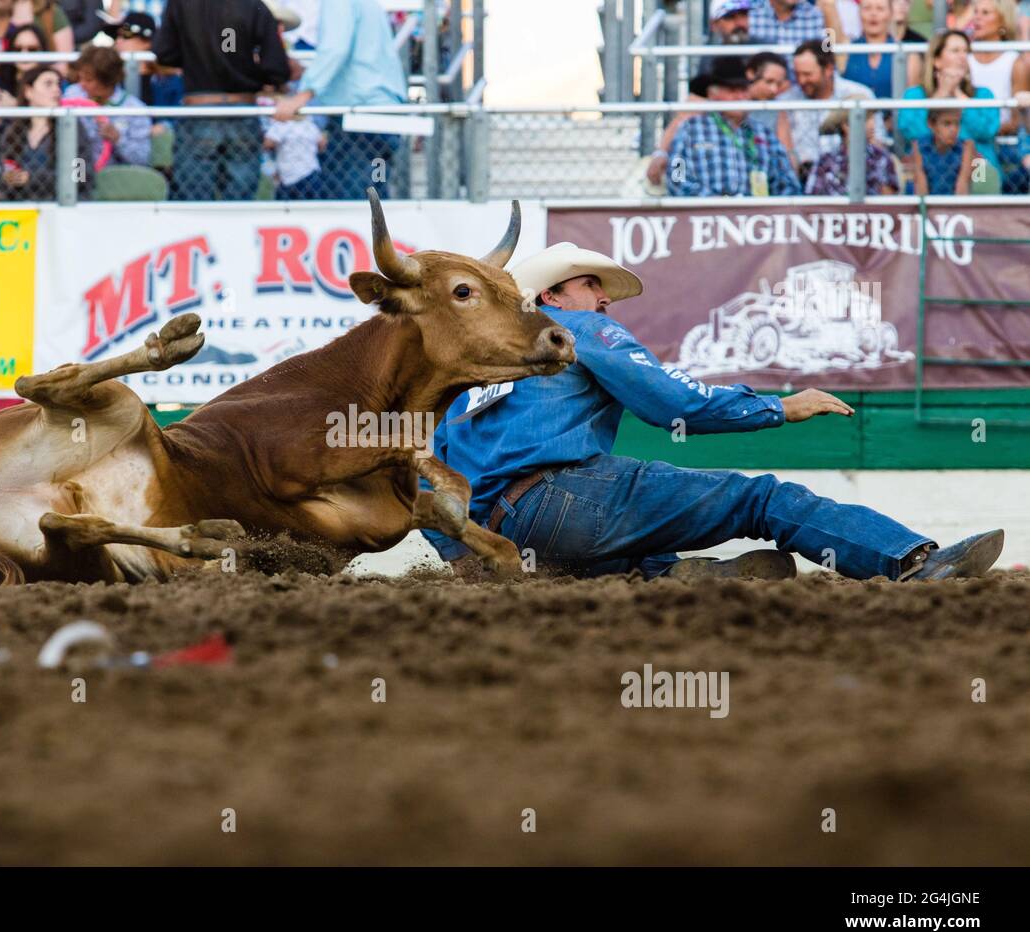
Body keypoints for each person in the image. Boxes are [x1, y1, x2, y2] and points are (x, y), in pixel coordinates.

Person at [423, 242, 1005, 582]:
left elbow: (432, 479)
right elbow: (672, 402)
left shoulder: (475, 368)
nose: (602, 297)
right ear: (550, 297)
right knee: (763, 499)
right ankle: (911, 560)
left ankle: (675, 578)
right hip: (562, 503)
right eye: (589, 284)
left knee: (639, 549)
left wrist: (469, 559)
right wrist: (778, 407)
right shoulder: (575, 328)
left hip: (503, 531)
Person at [153, 0, 291, 200]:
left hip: (200, 109)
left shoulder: (180, 4)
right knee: (239, 203)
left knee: (194, 201)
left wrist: (193, 57)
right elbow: (277, 69)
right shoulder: (254, 5)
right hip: (242, 109)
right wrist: (249, 72)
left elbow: (164, 53)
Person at [272, 0, 407, 200]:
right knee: (372, 202)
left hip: (359, 117)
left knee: (354, 205)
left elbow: (336, 49)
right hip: (374, 114)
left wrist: (301, 96)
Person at [650, 51, 796, 188]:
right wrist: (706, 203)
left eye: (743, 90)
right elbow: (677, 176)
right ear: (713, 94)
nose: (740, 97)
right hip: (705, 209)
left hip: (753, 210)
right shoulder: (691, 129)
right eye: (732, 91)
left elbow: (787, 179)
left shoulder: (763, 133)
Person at [899, 30, 1002, 176]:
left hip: (977, 164)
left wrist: (960, 96)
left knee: (984, 181)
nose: (963, 56)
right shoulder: (914, 95)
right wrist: (941, 95)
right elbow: (912, 132)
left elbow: (987, 131)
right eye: (955, 51)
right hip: (929, 164)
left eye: (966, 51)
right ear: (937, 60)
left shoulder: (983, 94)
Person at [778, 39, 884, 181]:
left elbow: (879, 144)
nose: (801, 80)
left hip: (851, 174)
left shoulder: (859, 95)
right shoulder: (786, 101)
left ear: (828, 69)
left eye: (807, 74)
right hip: (802, 178)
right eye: (797, 74)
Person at [0, 64, 94, 200]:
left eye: (58, 84)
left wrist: (31, 178)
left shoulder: (71, 127)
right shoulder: (13, 131)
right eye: (48, 84)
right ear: (28, 91)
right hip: (23, 210)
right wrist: (9, 177)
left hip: (63, 204)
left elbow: (81, 174)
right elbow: (6, 168)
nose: (56, 90)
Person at [968, 0, 1030, 191]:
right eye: (976, 12)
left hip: (1005, 146)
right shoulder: (965, 59)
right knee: (979, 174)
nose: (977, 17)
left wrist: (986, 129)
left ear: (1002, 21)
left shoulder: (1015, 62)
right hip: (973, 143)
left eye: (985, 13)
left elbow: (1016, 119)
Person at [64, 45, 151, 168]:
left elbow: (143, 158)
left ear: (107, 81)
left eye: (88, 80)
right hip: (78, 169)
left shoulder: (134, 109)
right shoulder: (71, 95)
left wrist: (118, 139)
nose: (82, 84)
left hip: (115, 176)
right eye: (80, 78)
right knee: (78, 175)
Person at [806, 97, 900, 194]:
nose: (872, 124)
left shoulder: (881, 158)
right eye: (866, 119)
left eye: (873, 118)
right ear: (846, 125)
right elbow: (813, 200)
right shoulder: (826, 161)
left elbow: (889, 201)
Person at [841, 0, 926, 98]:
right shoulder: (846, 50)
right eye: (867, 8)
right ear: (859, 12)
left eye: (880, 9)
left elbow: (912, 100)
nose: (873, 14)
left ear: (891, 13)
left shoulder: (909, 54)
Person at [111, 11, 183, 122]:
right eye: (117, 35)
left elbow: (176, 122)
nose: (119, 40)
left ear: (147, 41)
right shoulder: (110, 80)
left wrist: (164, 128)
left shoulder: (167, 81)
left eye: (126, 34)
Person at [912, 107, 976, 194]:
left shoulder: (965, 147)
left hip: (955, 203)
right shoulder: (920, 146)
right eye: (947, 124)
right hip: (929, 203)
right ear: (931, 124)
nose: (953, 129)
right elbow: (920, 187)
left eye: (957, 124)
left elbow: (962, 187)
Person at [697, 0, 752, 80]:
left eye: (744, 15)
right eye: (731, 17)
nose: (740, 23)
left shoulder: (761, 49)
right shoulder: (709, 56)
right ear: (714, 24)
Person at [0, 22, 48, 95]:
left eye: (32, 49)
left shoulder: (54, 83)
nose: (24, 54)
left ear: (43, 50)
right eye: (18, 49)